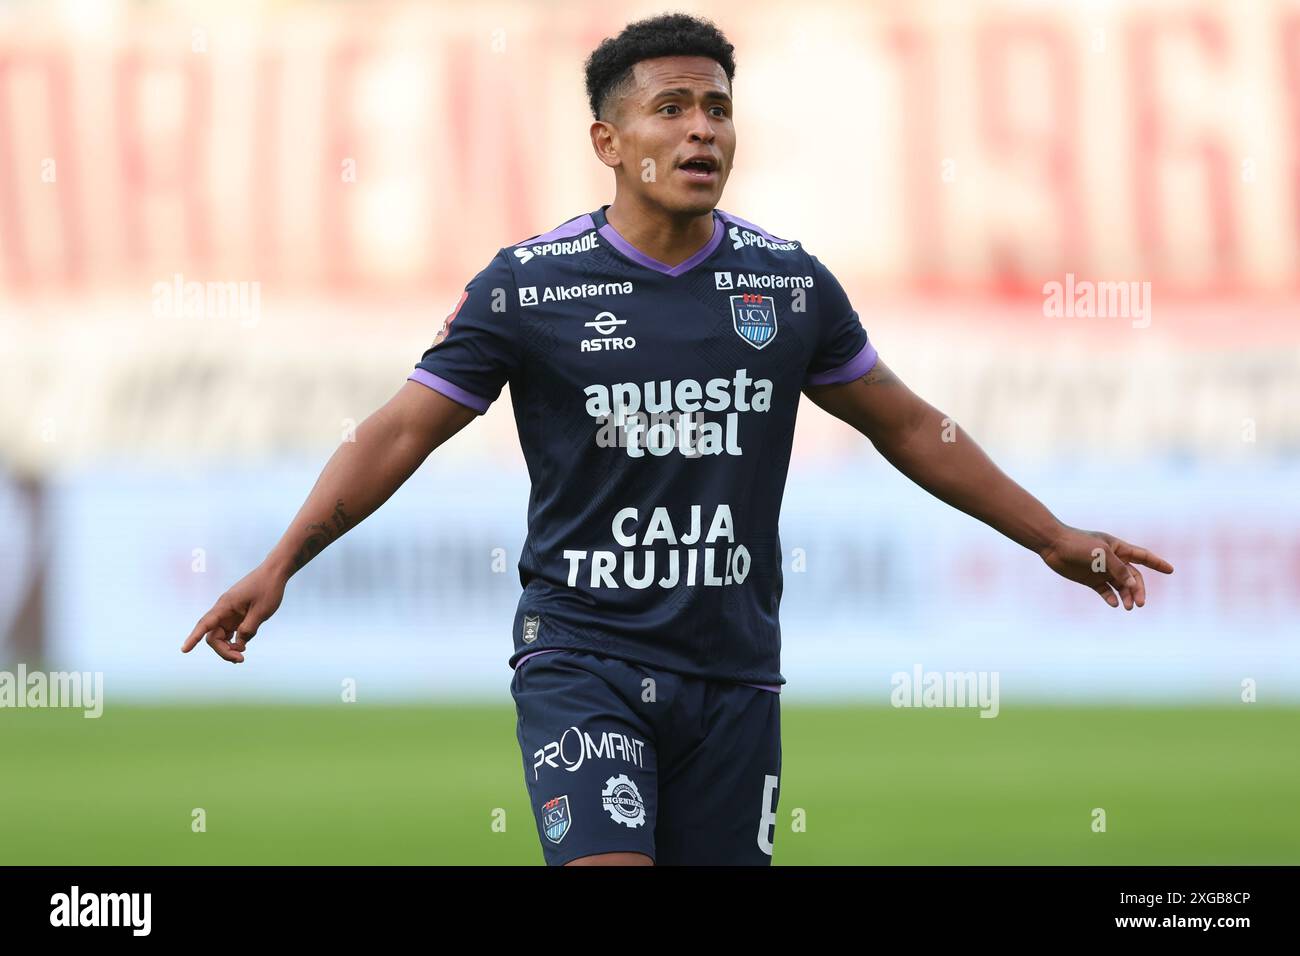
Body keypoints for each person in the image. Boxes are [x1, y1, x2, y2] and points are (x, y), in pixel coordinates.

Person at [182, 13, 1173, 866]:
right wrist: (283, 561)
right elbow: (401, 427)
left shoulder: (786, 285)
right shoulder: (529, 286)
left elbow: (909, 423)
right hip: (581, 655)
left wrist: (1049, 535)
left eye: (717, 108)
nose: (702, 129)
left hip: (733, 671)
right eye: (672, 109)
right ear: (607, 140)